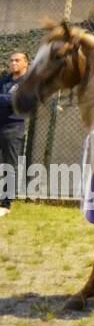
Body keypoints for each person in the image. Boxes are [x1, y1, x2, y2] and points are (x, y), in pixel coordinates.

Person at [0, 51, 30, 217]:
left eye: (17, 60)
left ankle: (6, 203)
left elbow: (15, 100)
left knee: (10, 165)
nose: (13, 63)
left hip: (14, 127)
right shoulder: (5, 80)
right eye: (11, 60)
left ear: (26, 63)